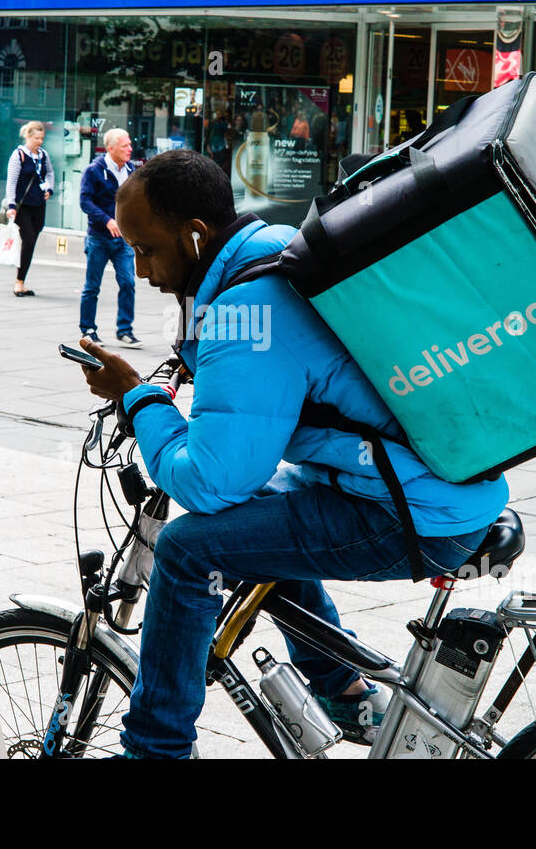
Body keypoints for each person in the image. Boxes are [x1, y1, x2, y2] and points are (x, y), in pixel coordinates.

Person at [76, 150, 509, 759]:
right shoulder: (272, 247)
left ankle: (153, 750)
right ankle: (345, 689)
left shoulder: (241, 310)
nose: (139, 268)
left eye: (146, 249)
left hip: (410, 512)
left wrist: (137, 398)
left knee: (185, 550)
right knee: (258, 511)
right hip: (437, 483)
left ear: (196, 236)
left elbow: (205, 483)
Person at [78, 128, 142, 347]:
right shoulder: (94, 171)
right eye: (125, 145)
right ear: (111, 148)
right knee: (92, 286)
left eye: (130, 144)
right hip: (99, 238)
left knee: (128, 282)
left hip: (123, 239)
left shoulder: (131, 170)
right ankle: (88, 329)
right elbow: (85, 201)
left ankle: (125, 330)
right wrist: (106, 220)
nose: (130, 149)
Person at [3, 121, 54, 297]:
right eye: (36, 138)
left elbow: (49, 173)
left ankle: (21, 281)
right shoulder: (19, 155)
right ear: (28, 136)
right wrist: (11, 205)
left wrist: (49, 189)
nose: (39, 141)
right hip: (22, 206)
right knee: (29, 240)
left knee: (30, 244)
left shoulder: (43, 155)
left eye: (41, 138)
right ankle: (19, 283)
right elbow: (11, 181)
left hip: (39, 204)